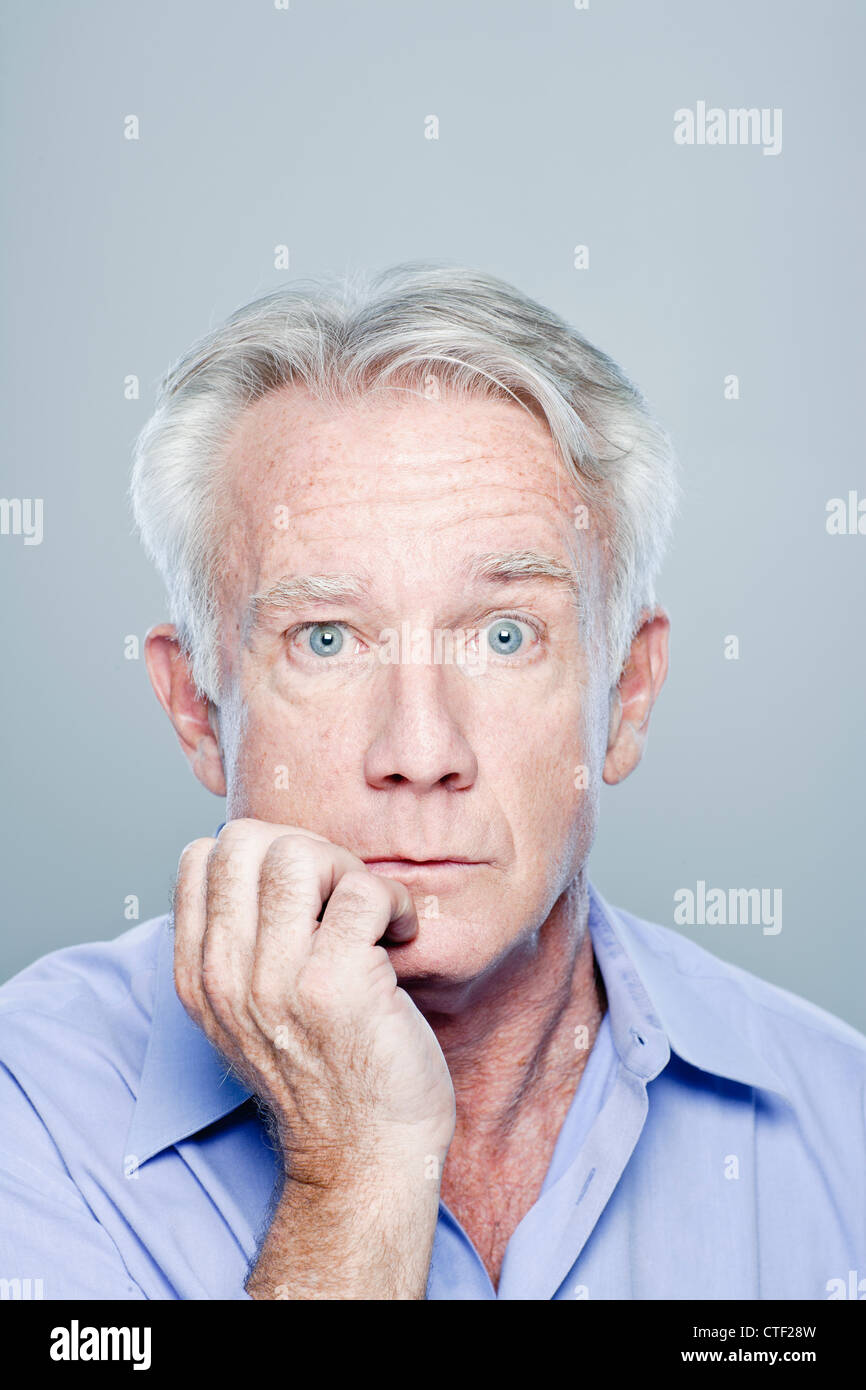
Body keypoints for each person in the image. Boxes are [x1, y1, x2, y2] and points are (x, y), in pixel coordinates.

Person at [0, 264, 863, 1300]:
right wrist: (357, 1173)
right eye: (326, 637)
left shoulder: (840, 1119)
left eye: (504, 635)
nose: (420, 747)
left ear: (625, 695)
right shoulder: (32, 1111)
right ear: (197, 709)